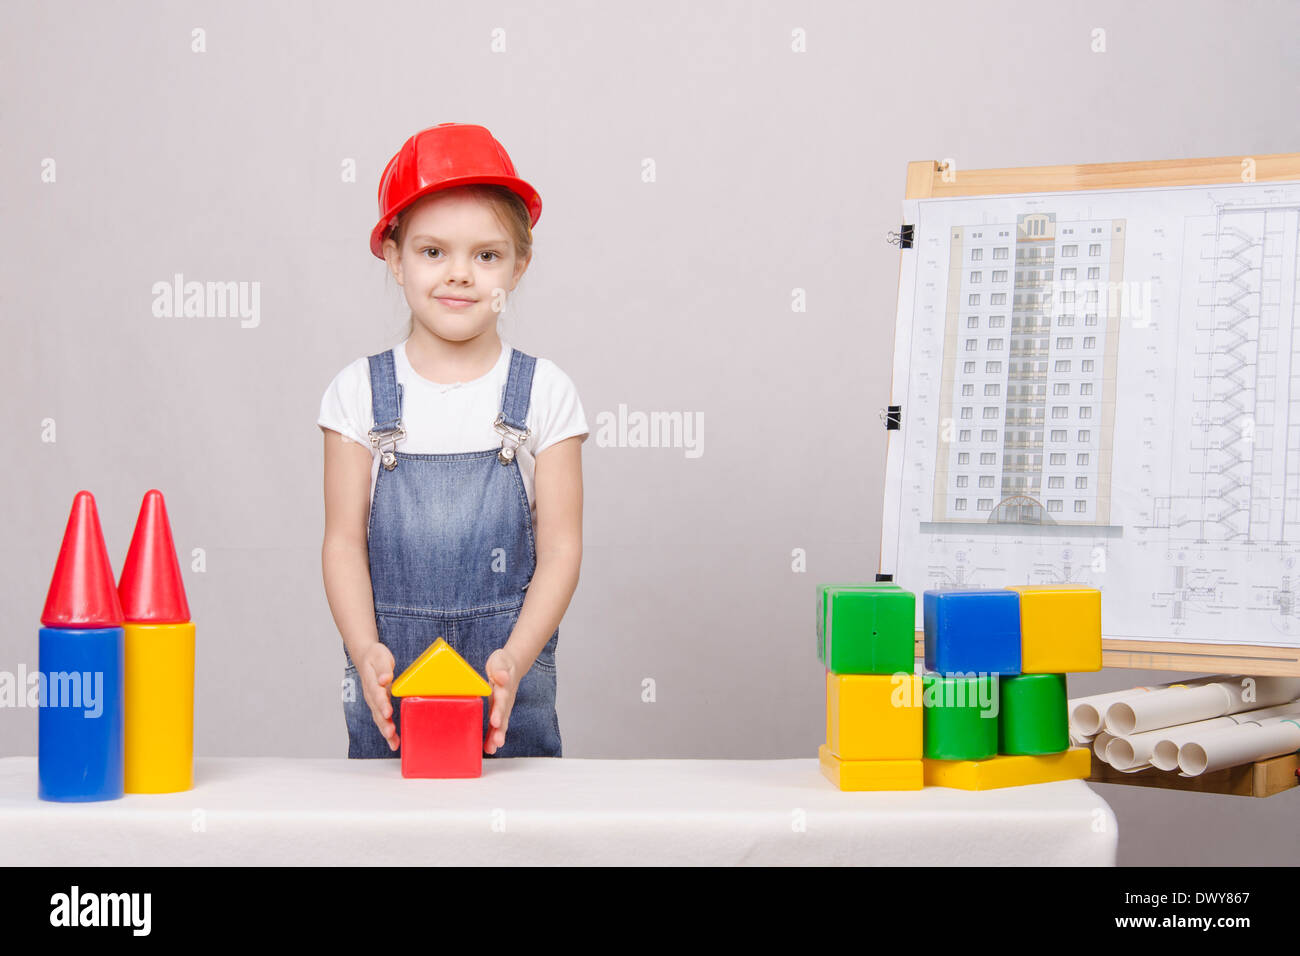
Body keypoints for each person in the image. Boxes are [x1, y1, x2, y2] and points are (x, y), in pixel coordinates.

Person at [318, 123, 587, 759]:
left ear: (519, 265)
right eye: (433, 251)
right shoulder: (356, 394)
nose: (459, 274)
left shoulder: (545, 393)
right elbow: (341, 543)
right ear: (393, 254)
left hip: (509, 700)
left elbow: (562, 550)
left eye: (486, 255)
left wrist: (514, 661)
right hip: (393, 701)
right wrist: (365, 651)